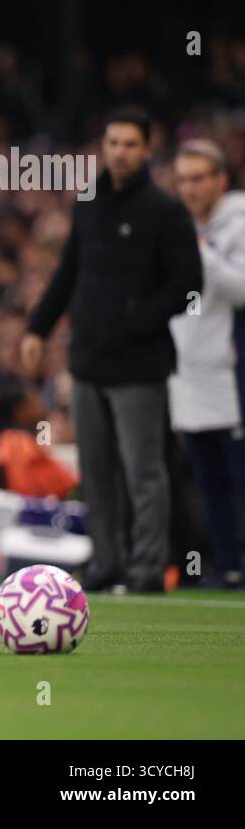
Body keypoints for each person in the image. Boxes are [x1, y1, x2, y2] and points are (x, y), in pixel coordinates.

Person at [21, 107, 202, 593]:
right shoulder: (89, 203)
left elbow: (189, 284)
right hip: (87, 361)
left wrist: (139, 319)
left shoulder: (164, 211)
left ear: (147, 149)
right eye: (113, 142)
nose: (120, 152)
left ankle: (147, 568)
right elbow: (68, 273)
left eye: (130, 144)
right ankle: (105, 563)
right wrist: (37, 327)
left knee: (144, 471)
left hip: (140, 364)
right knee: (96, 469)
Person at [168, 139, 245, 587]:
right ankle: (227, 566)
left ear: (221, 179)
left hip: (232, 375)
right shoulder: (177, 227)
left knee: (237, 478)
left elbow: (242, 290)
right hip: (189, 376)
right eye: (183, 179)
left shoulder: (236, 222)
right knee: (207, 482)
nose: (190, 188)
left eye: (198, 178)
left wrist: (202, 250)